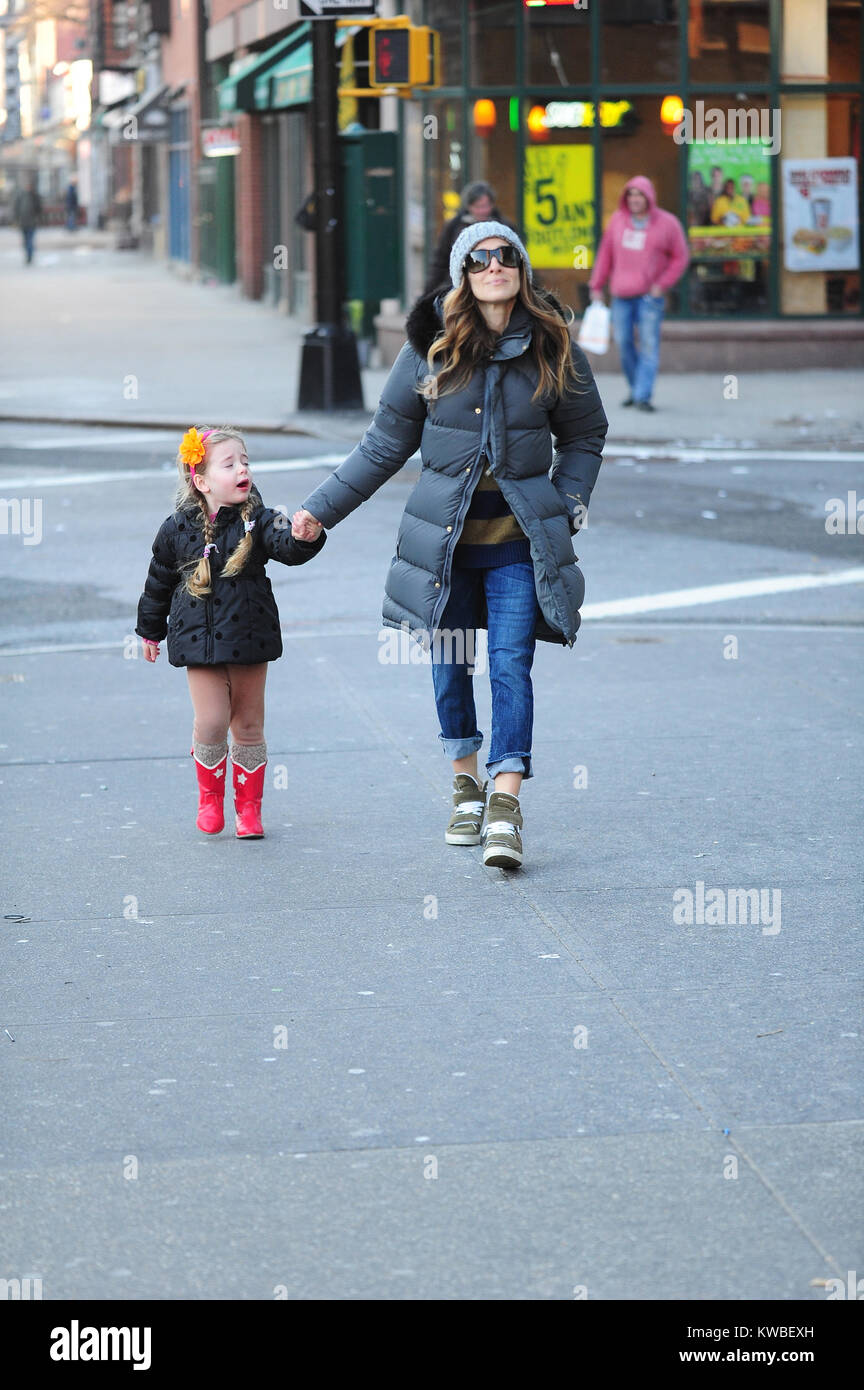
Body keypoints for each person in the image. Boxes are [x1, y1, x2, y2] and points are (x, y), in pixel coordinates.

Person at [293, 222, 608, 870]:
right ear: (463, 273)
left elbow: (585, 434)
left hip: (519, 546)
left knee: (510, 666)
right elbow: (384, 444)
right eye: (481, 258)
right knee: (450, 667)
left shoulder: (551, 344)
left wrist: (569, 503)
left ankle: (505, 802)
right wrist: (317, 513)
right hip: (446, 550)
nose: (495, 266)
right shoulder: (429, 348)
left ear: (520, 269)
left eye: (506, 257)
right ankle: (466, 782)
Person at [135, 426, 326, 839]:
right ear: (201, 481)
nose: (243, 469)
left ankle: (249, 810)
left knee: (249, 725)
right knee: (211, 722)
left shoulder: (259, 520)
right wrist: (149, 632)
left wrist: (305, 536)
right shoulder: (177, 528)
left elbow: (287, 548)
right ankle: (209, 797)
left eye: (245, 461)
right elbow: (158, 582)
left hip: (249, 639)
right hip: (195, 642)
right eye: (230, 464)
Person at [588, 175, 689, 412]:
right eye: (631, 195)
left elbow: (680, 257)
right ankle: (636, 389)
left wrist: (662, 284)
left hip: (649, 297)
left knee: (648, 344)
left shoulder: (667, 223)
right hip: (621, 296)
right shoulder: (617, 221)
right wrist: (596, 286)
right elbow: (605, 255)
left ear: (649, 197)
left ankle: (643, 395)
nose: (635, 199)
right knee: (624, 343)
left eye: (639, 195)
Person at [425, 181, 520, 293]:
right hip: (459, 287)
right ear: (468, 206)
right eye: (478, 207)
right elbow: (440, 262)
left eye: (486, 206)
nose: (482, 211)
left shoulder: (505, 226)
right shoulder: (453, 226)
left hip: (494, 284)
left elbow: (518, 258)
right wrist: (427, 294)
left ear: (493, 204)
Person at [14, 177, 42, 265]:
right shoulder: (20, 195)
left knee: (30, 240)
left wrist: (37, 217)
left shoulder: (34, 195)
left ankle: (30, 256)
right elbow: (16, 208)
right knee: (25, 241)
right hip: (23, 222)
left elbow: (39, 208)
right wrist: (16, 219)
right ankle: (28, 255)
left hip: (32, 222)